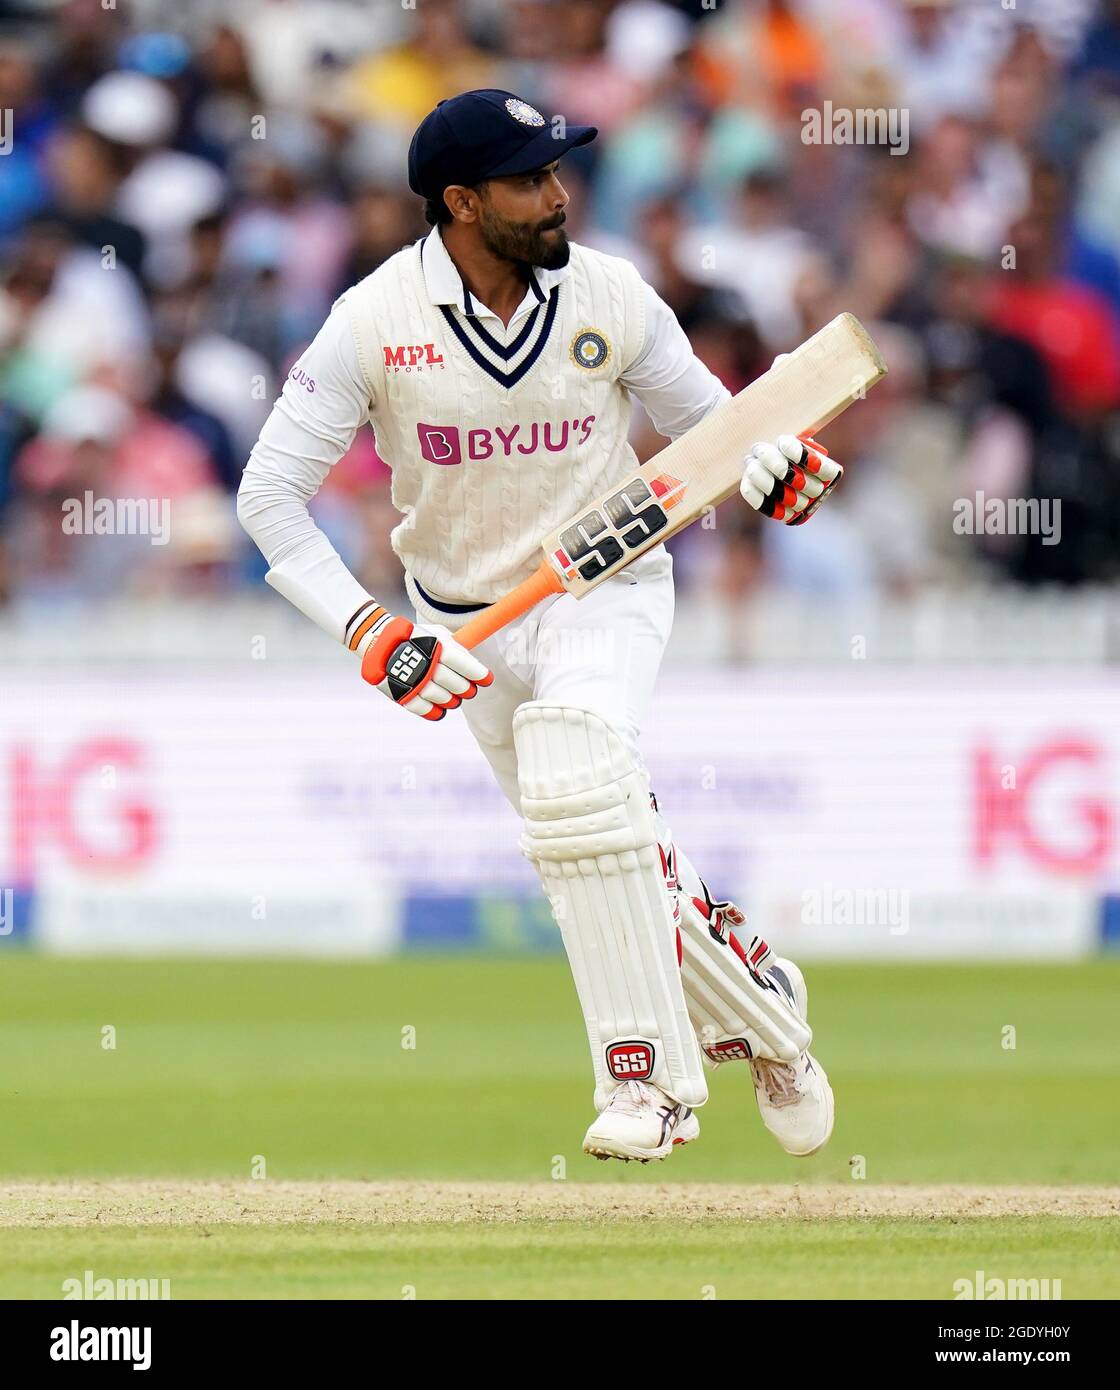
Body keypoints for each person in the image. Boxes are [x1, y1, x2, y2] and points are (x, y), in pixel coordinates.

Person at [238, 89, 838, 1164]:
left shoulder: (610, 292)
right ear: (461, 202)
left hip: (604, 588)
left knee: (576, 776)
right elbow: (268, 497)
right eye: (530, 181)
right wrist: (370, 630)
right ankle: (762, 1005)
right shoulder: (374, 322)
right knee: (593, 851)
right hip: (465, 621)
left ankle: (650, 1084)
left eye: (558, 174)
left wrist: (769, 470)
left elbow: (717, 432)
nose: (558, 197)